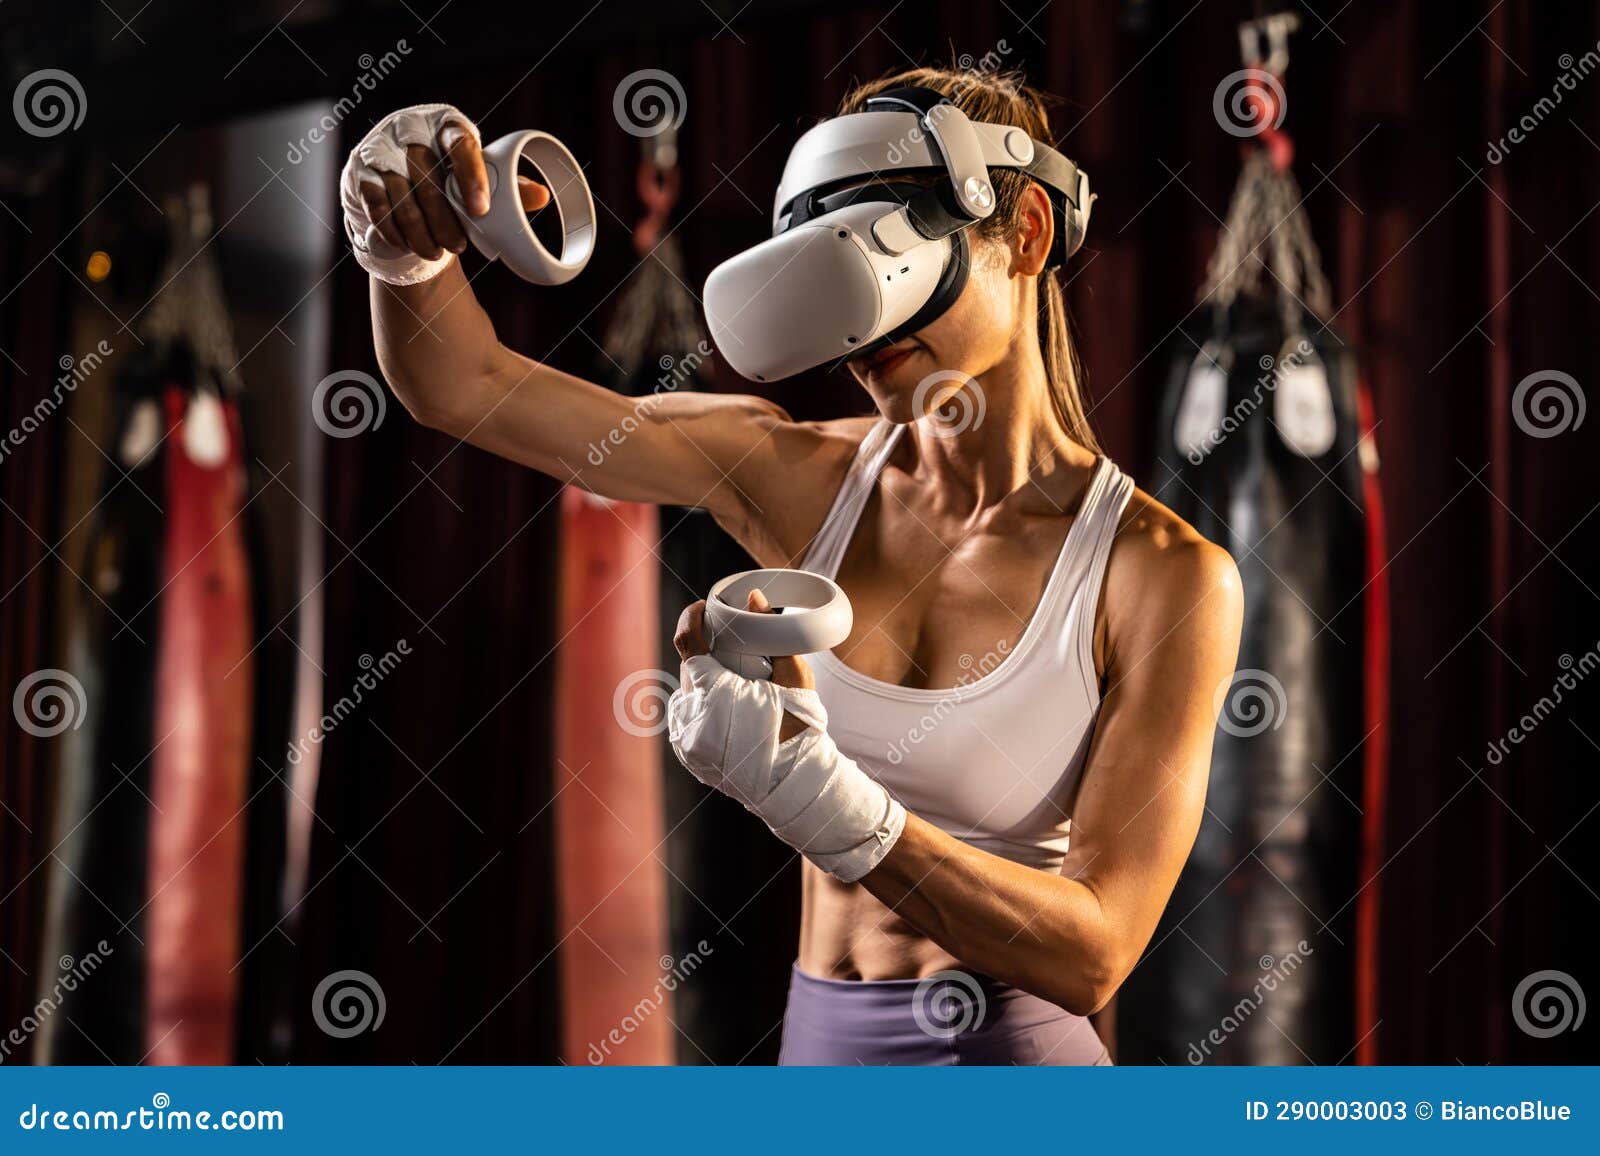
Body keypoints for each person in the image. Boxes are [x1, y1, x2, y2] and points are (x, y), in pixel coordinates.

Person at [344, 67, 1242, 1065]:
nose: (857, 332)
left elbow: (1096, 950)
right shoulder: (794, 476)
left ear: (1025, 232)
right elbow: (462, 385)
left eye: (879, 256)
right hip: (817, 1047)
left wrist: (819, 797)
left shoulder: (1159, 575)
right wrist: (402, 249)